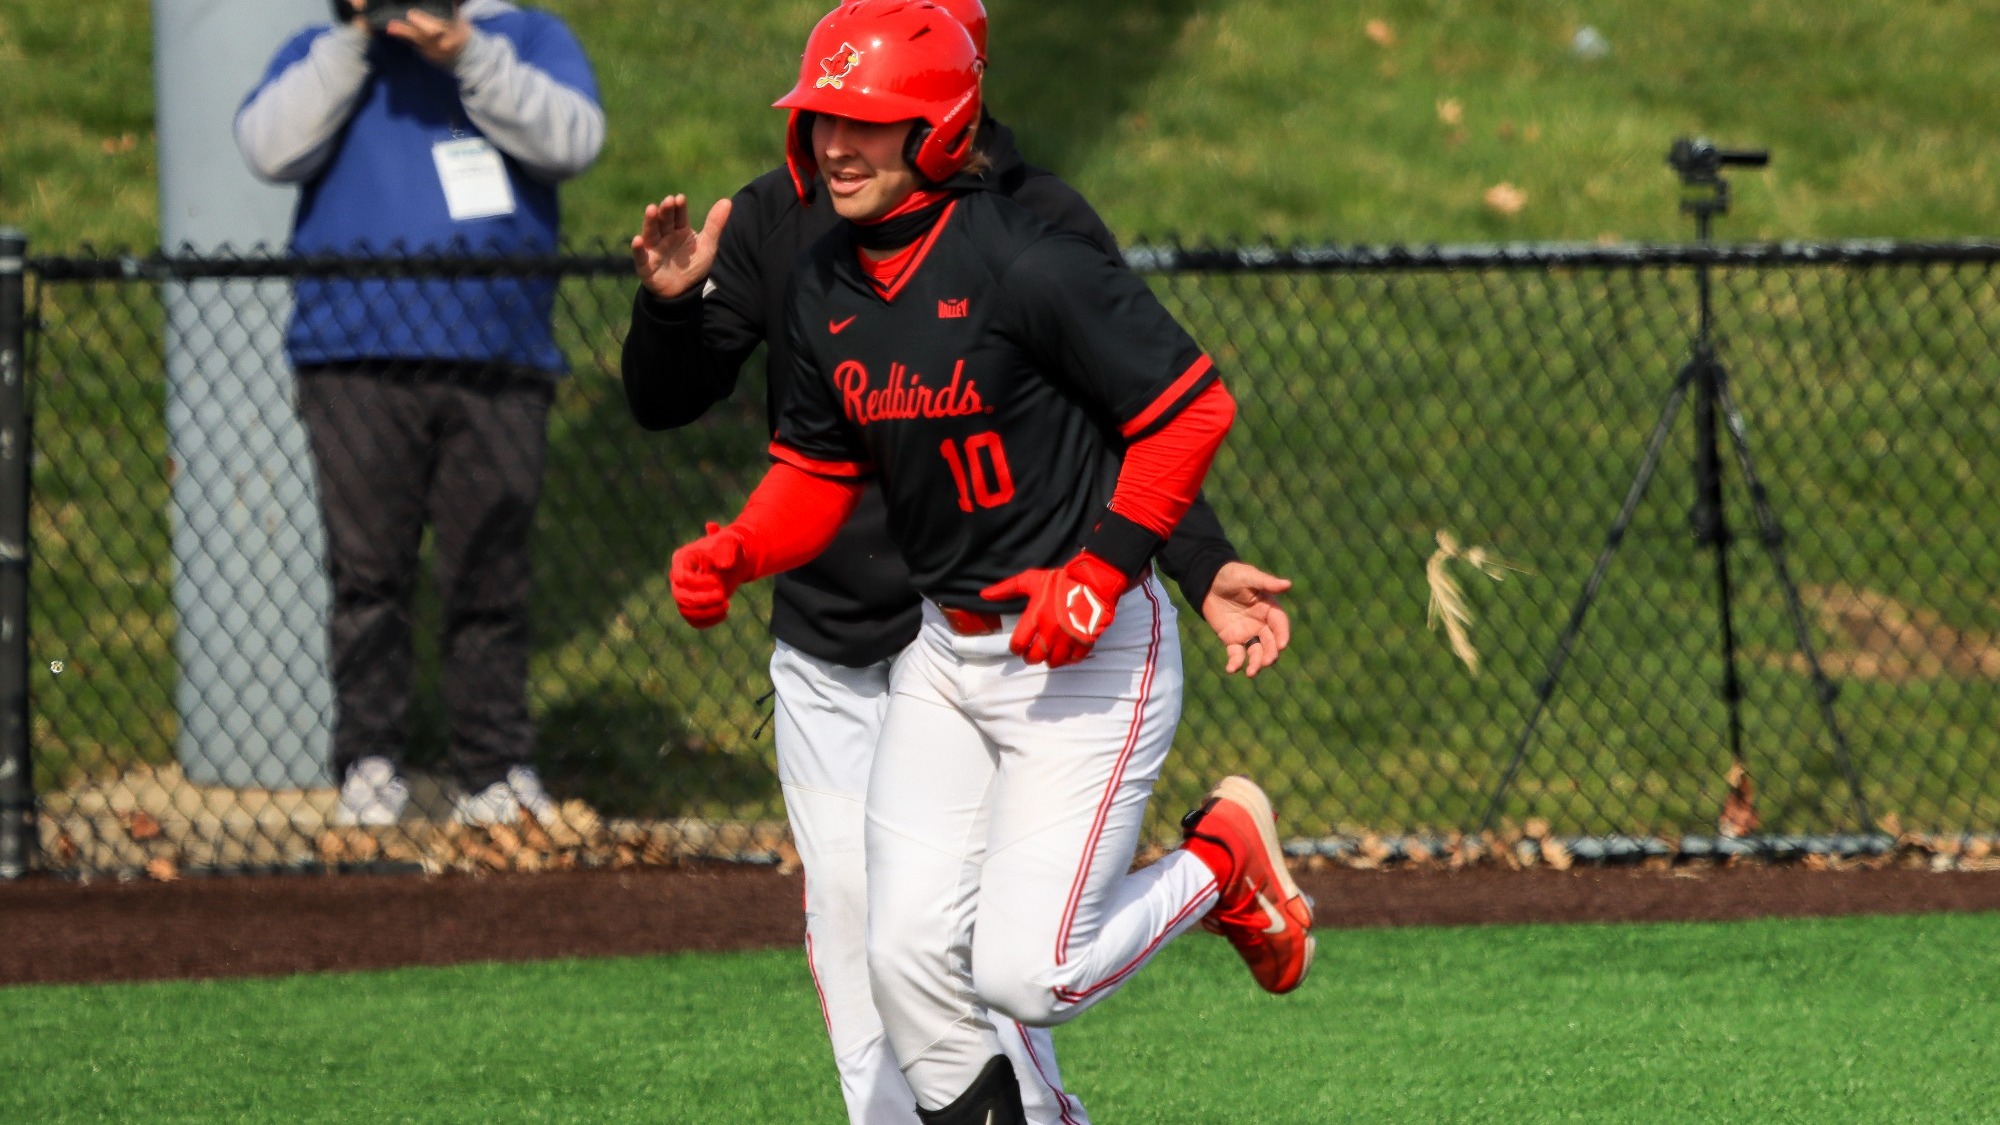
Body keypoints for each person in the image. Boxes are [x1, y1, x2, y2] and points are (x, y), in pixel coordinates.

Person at [622, 2, 1292, 1120]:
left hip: (1073, 649)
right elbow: (812, 467)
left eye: (869, 119)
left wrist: (1137, 564)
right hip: (924, 645)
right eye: (823, 114)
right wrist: (740, 548)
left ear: (939, 117)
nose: (836, 141)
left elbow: (1169, 410)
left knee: (1022, 971)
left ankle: (1219, 863)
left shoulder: (1029, 249)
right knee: (890, 958)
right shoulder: (820, 266)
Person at [235, 0, 603, 827]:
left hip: (498, 358)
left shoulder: (526, 38)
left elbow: (573, 140)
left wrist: (467, 52)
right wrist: (358, 38)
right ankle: (370, 765)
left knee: (490, 576)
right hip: (355, 357)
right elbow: (267, 146)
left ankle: (495, 769)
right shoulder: (325, 52)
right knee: (369, 577)